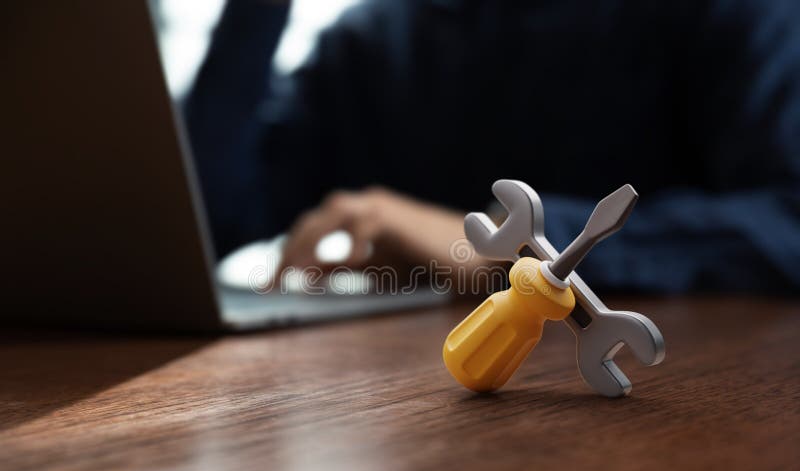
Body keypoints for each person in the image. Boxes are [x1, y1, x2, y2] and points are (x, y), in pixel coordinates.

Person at [185, 0, 800, 293]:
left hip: (670, 416)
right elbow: (204, 223)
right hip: (426, 416)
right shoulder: (373, 44)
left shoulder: (731, 15)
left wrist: (518, 249)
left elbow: (786, 223)